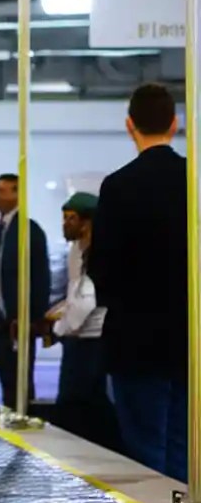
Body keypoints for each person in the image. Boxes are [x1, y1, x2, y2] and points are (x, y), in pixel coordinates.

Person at [87, 82, 188, 481]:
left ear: (130, 125)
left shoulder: (117, 186)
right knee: (182, 446)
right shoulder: (194, 181)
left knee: (144, 447)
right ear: (174, 123)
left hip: (135, 339)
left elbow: (103, 266)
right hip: (188, 342)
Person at [0, 174, 52, 409]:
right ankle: (10, 412)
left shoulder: (29, 231)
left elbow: (40, 277)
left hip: (18, 321)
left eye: (5, 191)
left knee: (20, 379)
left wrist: (31, 318)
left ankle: (23, 415)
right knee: (6, 378)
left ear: (18, 195)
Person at [41, 192, 118, 449]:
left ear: (87, 222)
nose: (65, 224)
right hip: (76, 338)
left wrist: (58, 326)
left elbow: (86, 301)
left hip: (92, 339)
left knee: (76, 402)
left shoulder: (100, 252)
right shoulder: (76, 250)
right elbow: (74, 293)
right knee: (86, 402)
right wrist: (55, 313)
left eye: (71, 219)